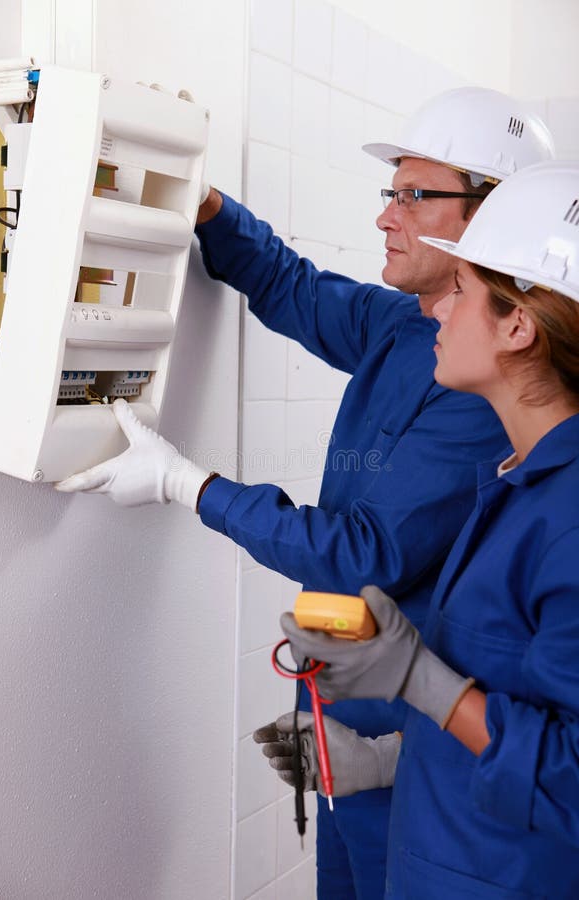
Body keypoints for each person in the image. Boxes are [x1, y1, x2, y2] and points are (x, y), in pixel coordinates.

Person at [56, 89, 554, 898]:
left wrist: (192, 486)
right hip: (351, 712)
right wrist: (201, 202)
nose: (388, 216)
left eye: (414, 195)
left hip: (421, 746)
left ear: (492, 218)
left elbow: (368, 551)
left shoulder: (487, 389)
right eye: (390, 193)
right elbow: (290, 285)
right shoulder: (410, 326)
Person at [277, 159, 579, 898]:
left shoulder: (567, 518)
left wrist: (420, 678)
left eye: (462, 291)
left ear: (517, 324)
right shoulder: (516, 479)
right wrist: (388, 758)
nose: (437, 312)